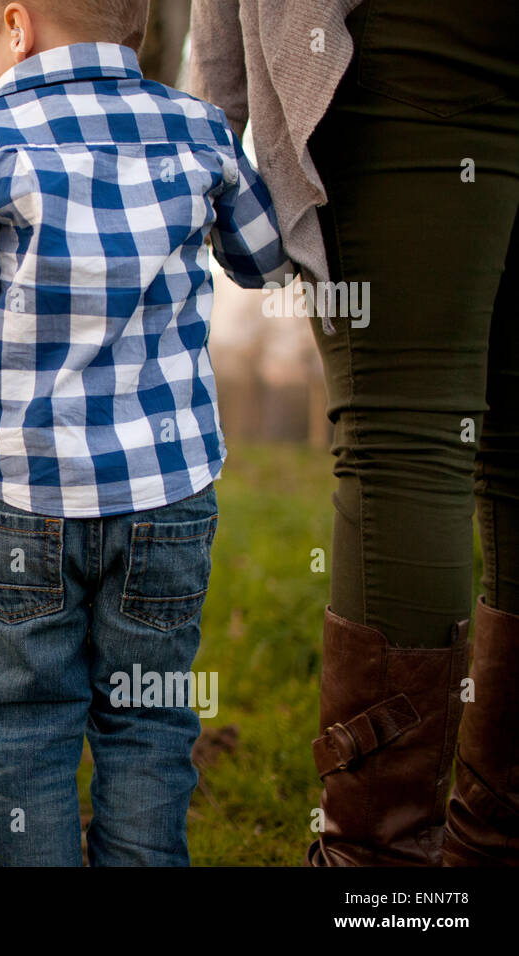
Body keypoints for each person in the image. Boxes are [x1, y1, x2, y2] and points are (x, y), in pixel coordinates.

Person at [0, 0, 289, 865]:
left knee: (28, 720)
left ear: (16, 27)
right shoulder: (198, 129)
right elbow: (265, 257)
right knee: (149, 715)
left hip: (25, 498)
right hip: (168, 492)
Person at [191, 0, 519, 866]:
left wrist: (212, 129)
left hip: (410, 47)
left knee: (404, 443)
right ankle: (495, 842)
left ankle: (382, 880)